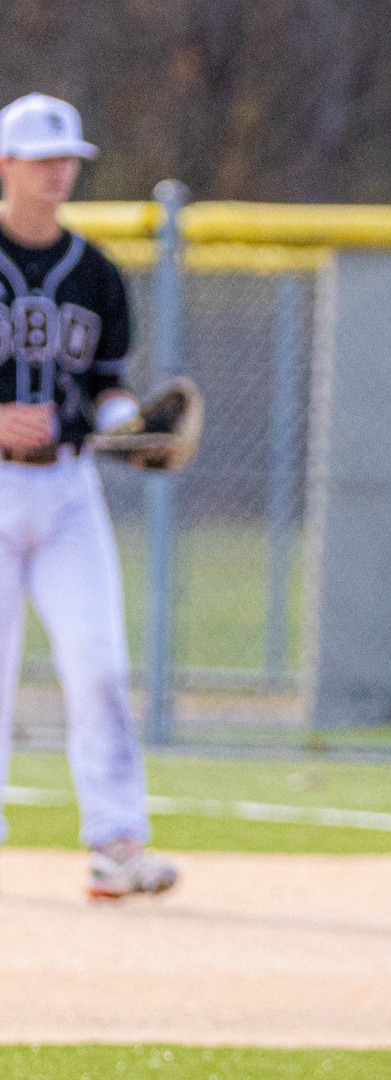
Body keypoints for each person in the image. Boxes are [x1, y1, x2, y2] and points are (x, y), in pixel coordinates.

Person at [0, 92, 178, 900]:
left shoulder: (97, 273)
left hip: (68, 489)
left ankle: (117, 842)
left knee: (100, 664)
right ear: (7, 165)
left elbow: (104, 386)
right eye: (43, 159)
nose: (59, 172)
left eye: (68, 158)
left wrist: (130, 424)